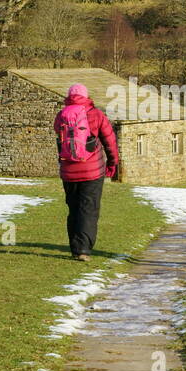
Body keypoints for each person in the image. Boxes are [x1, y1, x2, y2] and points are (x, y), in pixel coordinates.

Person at [54, 83, 120, 261]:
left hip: (68, 171)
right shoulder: (96, 115)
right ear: (87, 96)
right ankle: (83, 250)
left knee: (74, 209)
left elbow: (59, 136)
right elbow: (110, 141)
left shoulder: (62, 115)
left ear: (69, 97)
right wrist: (113, 163)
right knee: (89, 209)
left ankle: (75, 248)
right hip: (92, 172)